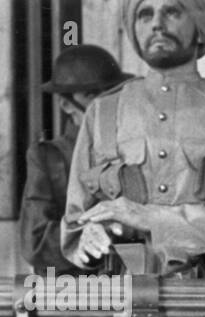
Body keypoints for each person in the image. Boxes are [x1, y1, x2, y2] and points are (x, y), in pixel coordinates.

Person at [61, 0, 205, 272]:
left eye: (172, 11)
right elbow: (76, 221)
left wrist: (154, 218)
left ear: (200, 27)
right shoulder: (103, 111)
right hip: (125, 295)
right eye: (144, 14)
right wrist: (88, 236)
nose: (156, 23)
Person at [19, 45, 129, 273]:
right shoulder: (48, 157)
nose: (103, 103)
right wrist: (92, 233)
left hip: (130, 288)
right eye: (91, 94)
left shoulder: (131, 148)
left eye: (110, 92)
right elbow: (34, 241)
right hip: (74, 292)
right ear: (66, 104)